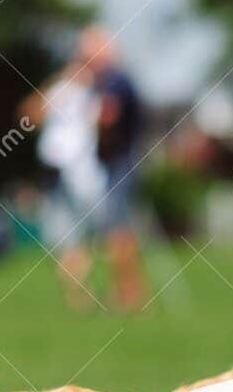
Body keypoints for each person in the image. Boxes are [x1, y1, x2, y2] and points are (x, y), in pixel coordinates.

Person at [23, 25, 148, 312]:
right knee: (78, 236)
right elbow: (30, 114)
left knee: (114, 231)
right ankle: (94, 296)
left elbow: (109, 118)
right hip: (73, 169)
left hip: (107, 167)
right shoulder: (74, 85)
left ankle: (128, 293)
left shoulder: (114, 81)